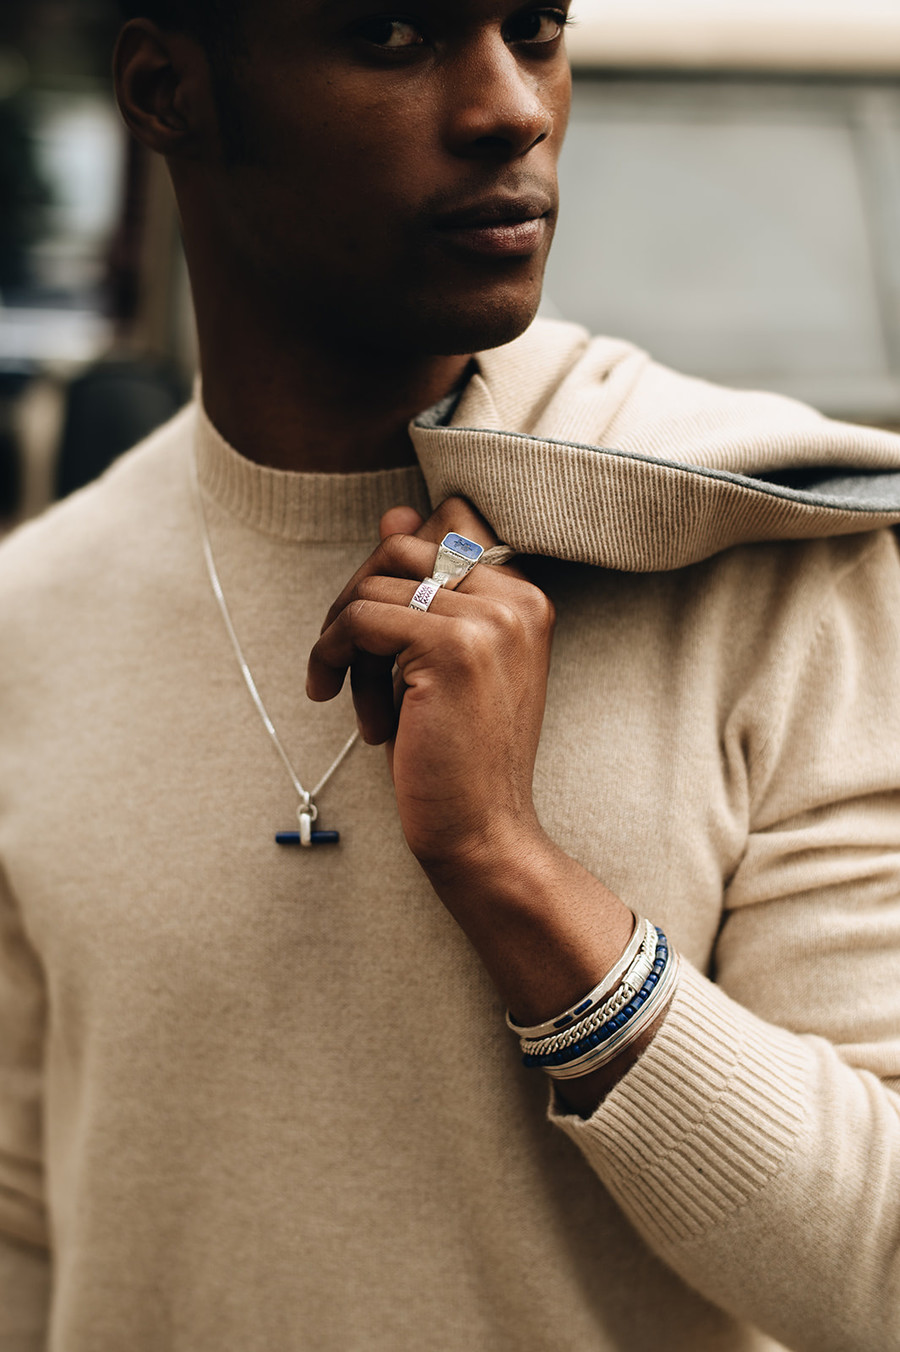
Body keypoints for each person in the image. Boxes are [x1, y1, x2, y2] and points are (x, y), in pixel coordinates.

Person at [1, 2, 899, 1348]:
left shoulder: (781, 560)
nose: (511, 108)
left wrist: (512, 871)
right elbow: (28, 1222)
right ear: (163, 88)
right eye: (394, 33)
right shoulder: (30, 616)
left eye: (534, 28)